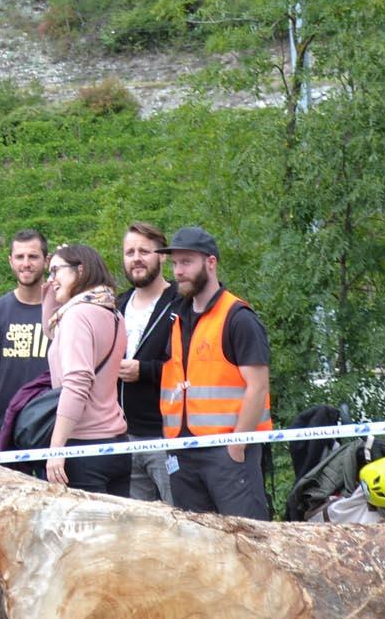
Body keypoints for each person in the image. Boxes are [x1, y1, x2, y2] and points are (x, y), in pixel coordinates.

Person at [157, 227, 273, 520]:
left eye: (186, 262)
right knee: (195, 541)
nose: (178, 271)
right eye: (175, 263)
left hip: (226, 453)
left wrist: (237, 447)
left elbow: (258, 387)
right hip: (183, 451)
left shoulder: (238, 317)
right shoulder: (176, 318)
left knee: (247, 538)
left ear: (210, 263)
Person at [42, 244, 131, 496]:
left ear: (80, 270)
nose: (51, 279)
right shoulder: (113, 313)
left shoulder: (77, 316)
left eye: (56, 271)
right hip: (117, 445)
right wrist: (54, 285)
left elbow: (77, 384)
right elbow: (50, 330)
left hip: (84, 447)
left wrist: (56, 448)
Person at [117, 222, 182, 503]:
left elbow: (193, 366)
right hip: (123, 436)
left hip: (165, 435)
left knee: (180, 513)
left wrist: (145, 371)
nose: (136, 258)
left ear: (162, 256)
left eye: (144, 251)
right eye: (129, 252)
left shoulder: (180, 302)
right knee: (135, 522)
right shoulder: (118, 305)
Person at [0, 229, 50, 454]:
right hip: (6, 429)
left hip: (51, 426)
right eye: (19, 257)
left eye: (33, 256)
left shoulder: (64, 311)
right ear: (10, 261)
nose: (26, 263)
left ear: (46, 261)